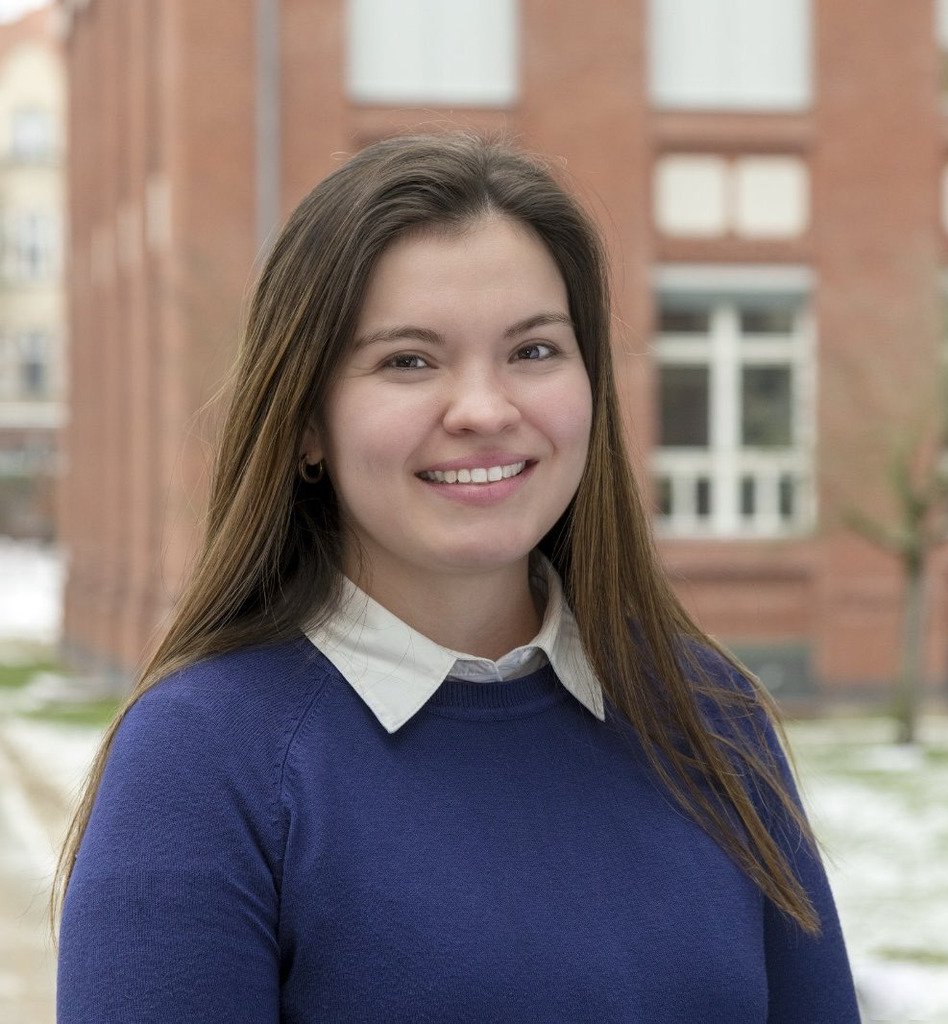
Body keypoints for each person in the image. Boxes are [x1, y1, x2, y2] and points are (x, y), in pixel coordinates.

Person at [55, 133, 860, 1023]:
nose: (484, 409)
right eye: (408, 360)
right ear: (307, 422)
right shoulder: (202, 762)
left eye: (534, 351)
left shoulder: (710, 717)